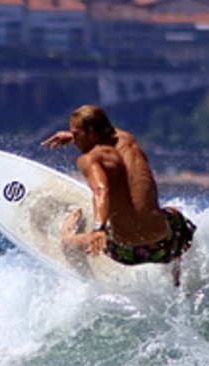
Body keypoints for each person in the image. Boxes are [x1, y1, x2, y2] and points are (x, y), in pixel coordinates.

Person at [42, 104, 195, 286]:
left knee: (68, 243)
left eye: (76, 134)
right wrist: (75, 137)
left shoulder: (89, 159)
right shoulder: (129, 141)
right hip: (167, 243)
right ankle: (178, 282)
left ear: (91, 133)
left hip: (127, 251)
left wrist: (98, 228)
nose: (74, 139)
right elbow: (108, 134)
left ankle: (91, 284)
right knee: (173, 215)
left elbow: (101, 190)